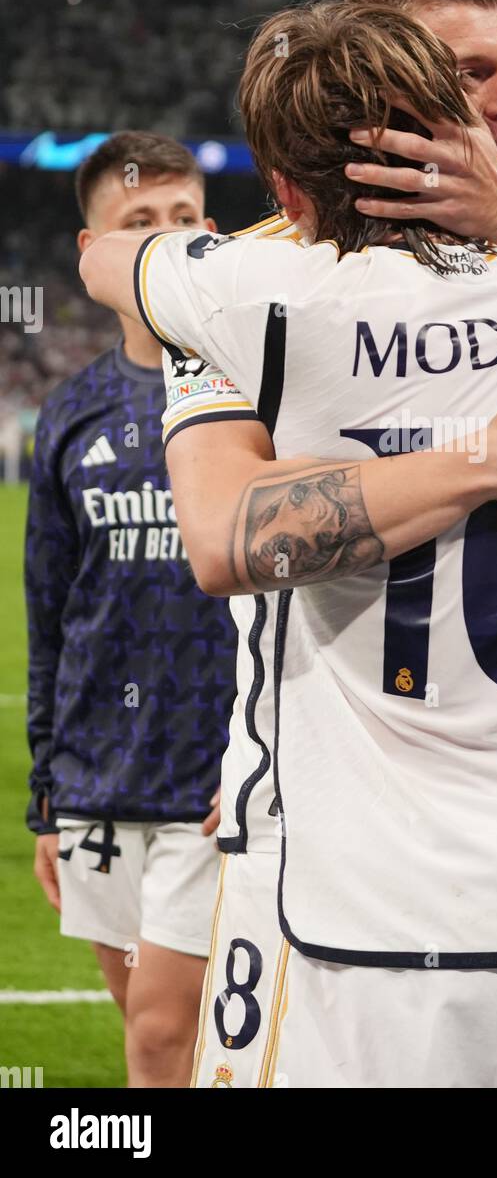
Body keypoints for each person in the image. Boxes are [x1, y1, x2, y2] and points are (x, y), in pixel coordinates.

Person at [82, 0, 497, 1089]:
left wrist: (134, 260)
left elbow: (215, 529)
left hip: (358, 888)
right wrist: (492, 453)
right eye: (466, 74)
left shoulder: (241, 293)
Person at [25, 131, 236, 1087]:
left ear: (213, 234)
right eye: (138, 222)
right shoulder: (71, 412)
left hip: (213, 782)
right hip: (100, 778)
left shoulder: (255, 391)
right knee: (153, 1033)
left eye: (183, 221)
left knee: (160, 1032)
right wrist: (47, 798)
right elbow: (48, 613)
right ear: (93, 250)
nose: (163, 240)